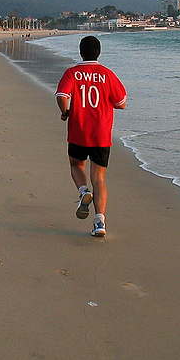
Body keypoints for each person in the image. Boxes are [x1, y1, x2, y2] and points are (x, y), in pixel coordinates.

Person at [54, 35, 127, 237]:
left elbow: (61, 96)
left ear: (81, 52)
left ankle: (83, 192)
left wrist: (65, 112)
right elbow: (121, 102)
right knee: (100, 178)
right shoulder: (107, 74)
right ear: (99, 52)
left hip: (78, 130)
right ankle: (99, 222)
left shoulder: (72, 73)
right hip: (101, 133)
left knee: (76, 165)